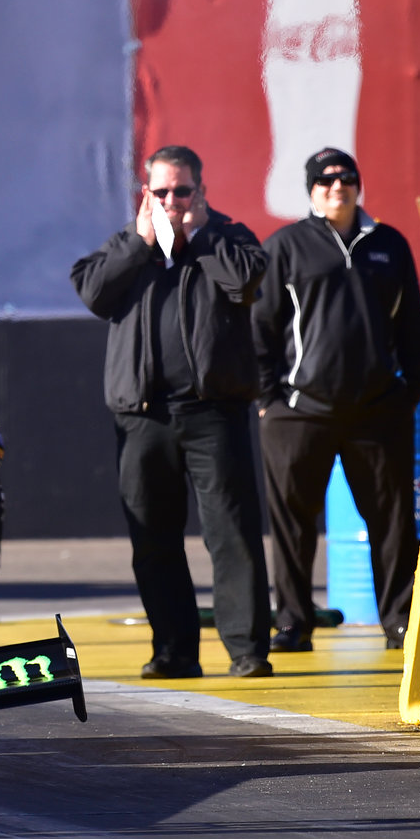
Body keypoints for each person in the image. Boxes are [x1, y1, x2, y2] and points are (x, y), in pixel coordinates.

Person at [71, 145, 273, 679]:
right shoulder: (130, 244)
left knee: (231, 534)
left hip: (213, 413)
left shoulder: (229, 237)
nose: (172, 202)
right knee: (154, 539)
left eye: (182, 191)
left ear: (201, 193)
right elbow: (92, 291)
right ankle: (174, 651)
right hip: (142, 417)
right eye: (161, 192)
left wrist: (202, 235)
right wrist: (140, 245)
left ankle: (248, 651)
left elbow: (247, 281)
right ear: (146, 194)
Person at [254, 147, 420, 651]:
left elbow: (412, 331)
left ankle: (401, 622)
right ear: (311, 190)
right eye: (325, 180)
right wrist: (270, 399)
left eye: (346, 177)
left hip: (376, 411)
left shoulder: (388, 245)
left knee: (393, 523)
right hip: (299, 412)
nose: (337, 186)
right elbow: (259, 330)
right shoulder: (286, 246)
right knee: (293, 524)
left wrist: (406, 392)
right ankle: (293, 623)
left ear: (358, 184)